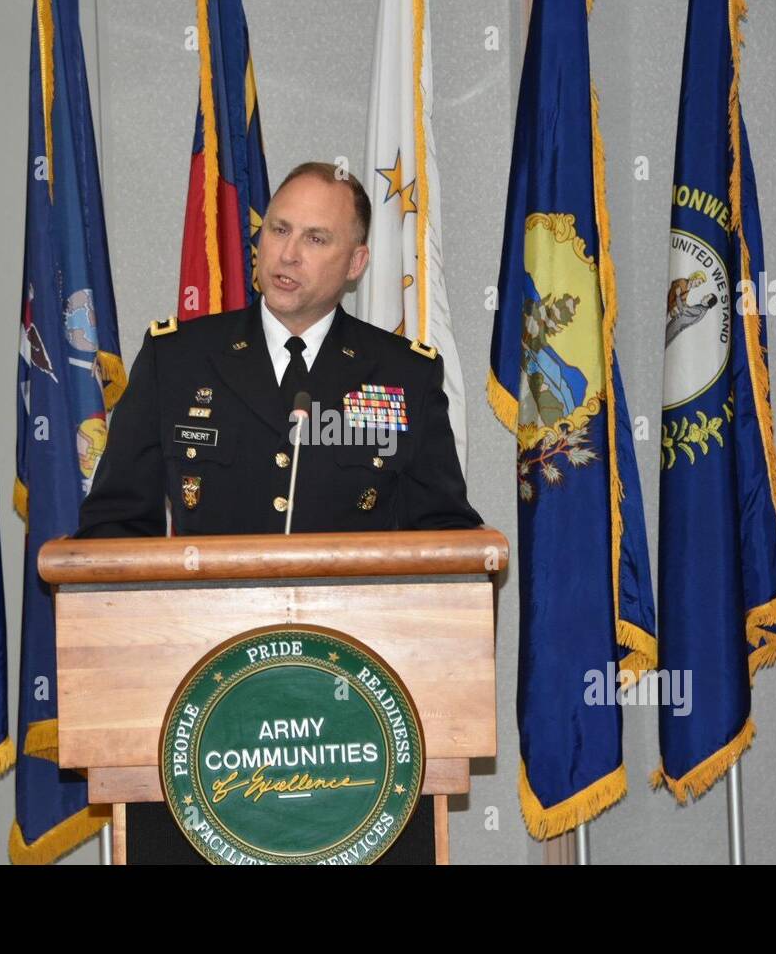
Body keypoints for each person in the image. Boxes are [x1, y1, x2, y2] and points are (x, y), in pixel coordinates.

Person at [77, 161, 482, 863]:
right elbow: (115, 525)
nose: (288, 253)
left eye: (316, 239)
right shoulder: (180, 360)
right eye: (278, 230)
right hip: (199, 706)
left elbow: (444, 542)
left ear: (356, 262)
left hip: (358, 717)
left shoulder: (403, 375)